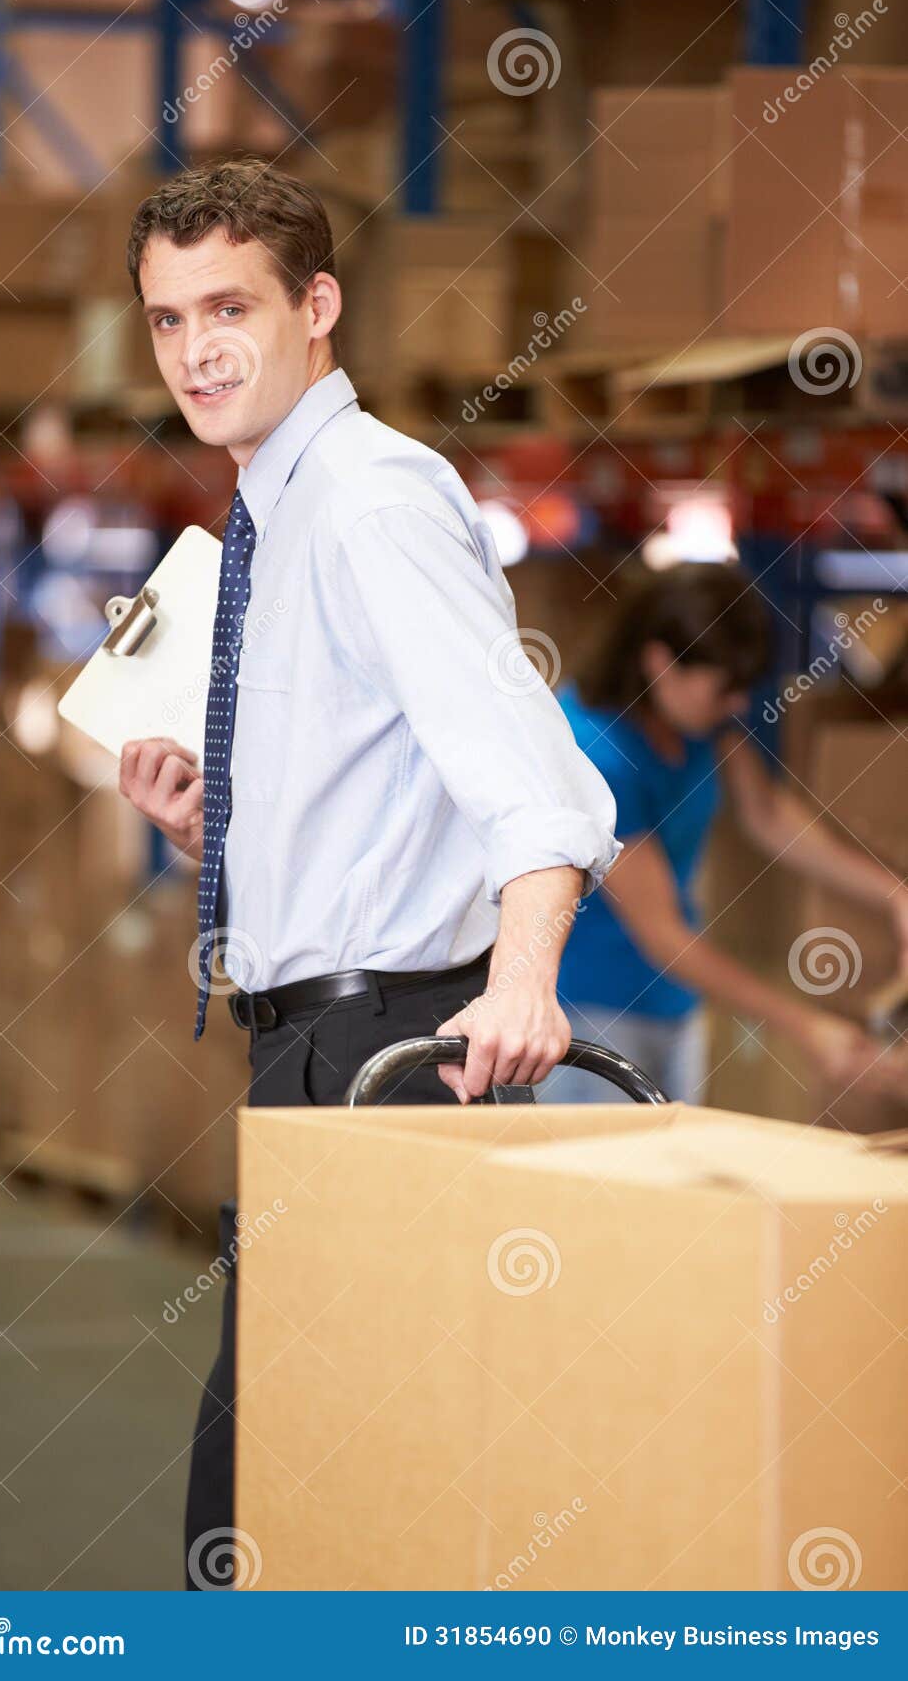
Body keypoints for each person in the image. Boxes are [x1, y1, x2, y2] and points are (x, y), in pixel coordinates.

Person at [114, 158, 621, 1586]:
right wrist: (209, 825)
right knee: (299, 1485)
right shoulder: (276, 518)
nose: (195, 348)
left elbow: (538, 783)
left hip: (388, 1045)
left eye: (228, 307)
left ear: (316, 305)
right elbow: (371, 799)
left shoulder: (369, 499)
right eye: (165, 319)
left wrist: (522, 980)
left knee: (294, 1494)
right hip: (319, 1047)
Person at [537, 561, 908, 1105]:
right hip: (590, 1018)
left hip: (675, 1003)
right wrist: (809, 1027)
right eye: (725, 690)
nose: (737, 706)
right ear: (661, 662)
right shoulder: (595, 753)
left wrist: (895, 894)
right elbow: (662, 934)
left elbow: (769, 816)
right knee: (608, 1186)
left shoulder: (694, 720)